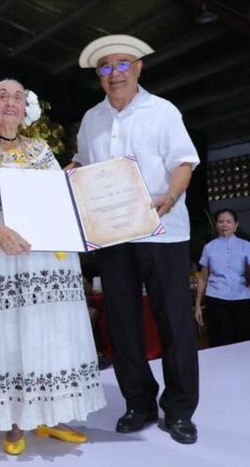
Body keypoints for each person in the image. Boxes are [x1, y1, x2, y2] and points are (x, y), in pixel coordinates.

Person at [0, 79, 105, 456]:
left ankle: (50, 415)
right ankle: (13, 420)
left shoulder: (41, 150)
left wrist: (78, 177)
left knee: (49, 330)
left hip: (45, 253)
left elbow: (56, 193)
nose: (11, 102)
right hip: (3, 252)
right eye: (3, 96)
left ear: (27, 108)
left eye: (18, 97)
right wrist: (0, 231)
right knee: (10, 331)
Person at [70, 34, 200, 444]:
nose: (115, 74)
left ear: (138, 68)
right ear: (99, 76)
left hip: (163, 231)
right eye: (106, 67)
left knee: (174, 321)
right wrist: (58, 179)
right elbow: (82, 164)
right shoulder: (92, 118)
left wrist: (171, 196)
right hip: (112, 235)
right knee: (122, 322)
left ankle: (179, 409)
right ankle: (138, 402)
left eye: (123, 64)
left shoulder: (162, 111)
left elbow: (184, 162)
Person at [195, 209, 250, 347]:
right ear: (216, 225)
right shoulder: (209, 248)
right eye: (221, 221)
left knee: (244, 340)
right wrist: (198, 305)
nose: (224, 224)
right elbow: (203, 278)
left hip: (242, 298)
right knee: (220, 340)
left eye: (228, 221)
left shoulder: (246, 246)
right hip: (216, 298)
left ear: (236, 225)